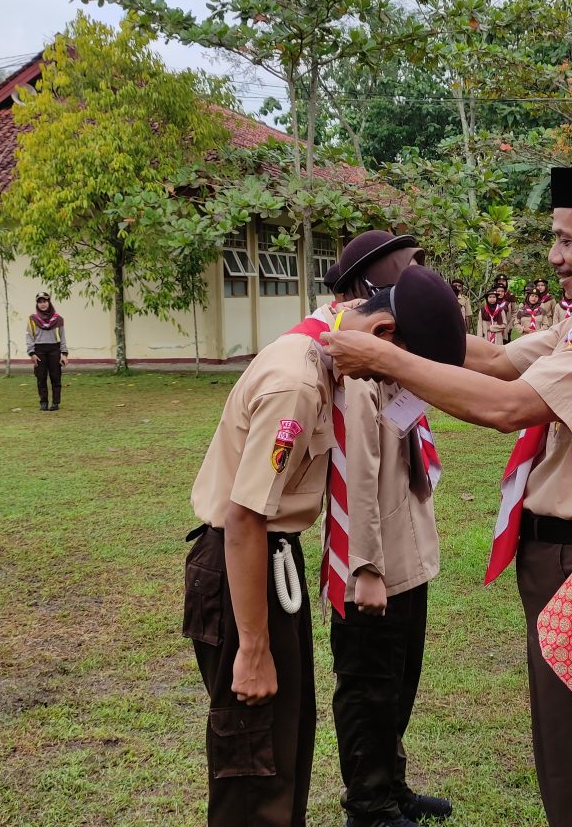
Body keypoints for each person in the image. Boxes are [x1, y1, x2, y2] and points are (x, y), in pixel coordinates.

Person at [323, 165, 572, 827]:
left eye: (563, 240)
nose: (553, 257)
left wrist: (381, 359)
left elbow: (510, 405)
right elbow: (493, 361)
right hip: (561, 558)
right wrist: (389, 323)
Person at [182, 266, 465, 827]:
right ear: (382, 335)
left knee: (287, 740)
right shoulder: (298, 383)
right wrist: (254, 649)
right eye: (397, 370)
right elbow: (243, 519)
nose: (392, 386)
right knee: (255, 754)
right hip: (246, 560)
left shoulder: (320, 362)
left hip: (273, 558)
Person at [322, 230, 453, 827]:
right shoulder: (356, 359)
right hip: (374, 563)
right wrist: (367, 567)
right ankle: (368, 806)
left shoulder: (395, 351)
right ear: (371, 283)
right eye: (408, 270)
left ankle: (392, 786)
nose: (418, 277)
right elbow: (358, 470)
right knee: (369, 685)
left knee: (400, 679)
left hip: (407, 548)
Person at [26, 293, 68, 411]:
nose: (42, 304)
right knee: (41, 377)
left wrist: (64, 354)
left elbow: (62, 337)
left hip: (54, 349)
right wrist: (32, 353)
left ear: (49, 302)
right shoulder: (32, 319)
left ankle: (55, 403)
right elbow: (29, 336)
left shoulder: (58, 319)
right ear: (37, 304)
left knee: (56, 377)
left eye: (45, 301)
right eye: (40, 302)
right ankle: (43, 402)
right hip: (39, 350)